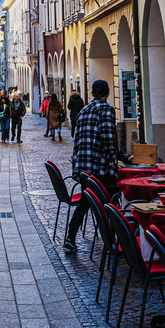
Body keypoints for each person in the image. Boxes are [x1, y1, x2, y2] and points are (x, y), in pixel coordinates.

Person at [64, 79, 119, 252]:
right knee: (112, 199)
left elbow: (78, 139)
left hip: (83, 167)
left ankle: (71, 237)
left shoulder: (84, 110)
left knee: (87, 200)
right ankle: (113, 238)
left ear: (92, 93)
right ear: (108, 93)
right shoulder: (106, 109)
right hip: (99, 166)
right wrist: (115, 164)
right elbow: (109, 140)